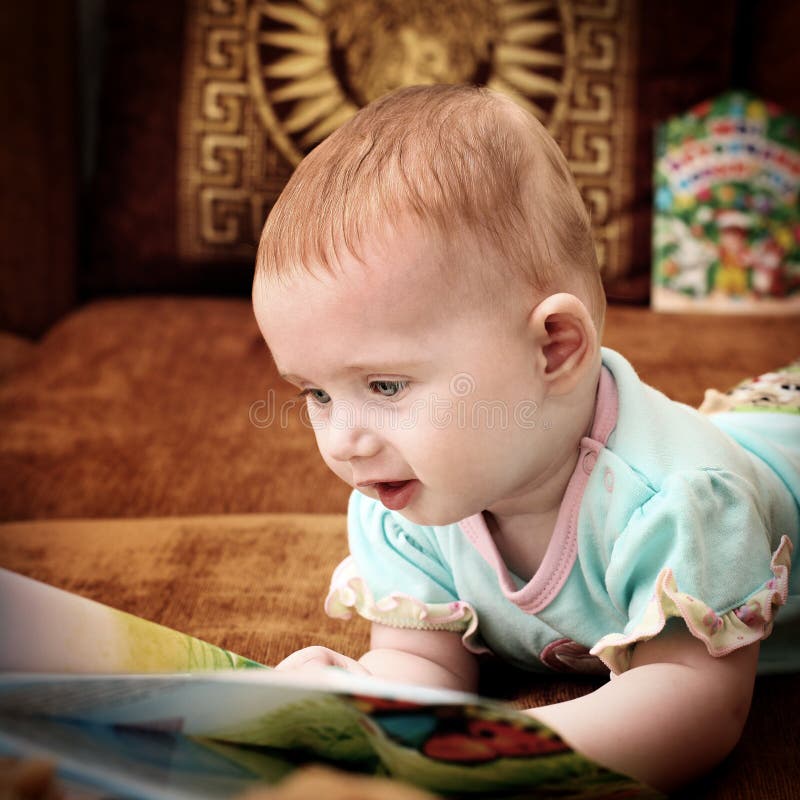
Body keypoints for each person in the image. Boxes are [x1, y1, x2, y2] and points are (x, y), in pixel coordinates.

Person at [251, 84, 799, 793]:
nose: (345, 442)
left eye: (385, 387)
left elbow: (694, 709)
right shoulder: (405, 500)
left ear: (553, 349)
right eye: (317, 394)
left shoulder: (678, 502)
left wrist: (491, 750)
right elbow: (423, 664)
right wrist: (364, 709)